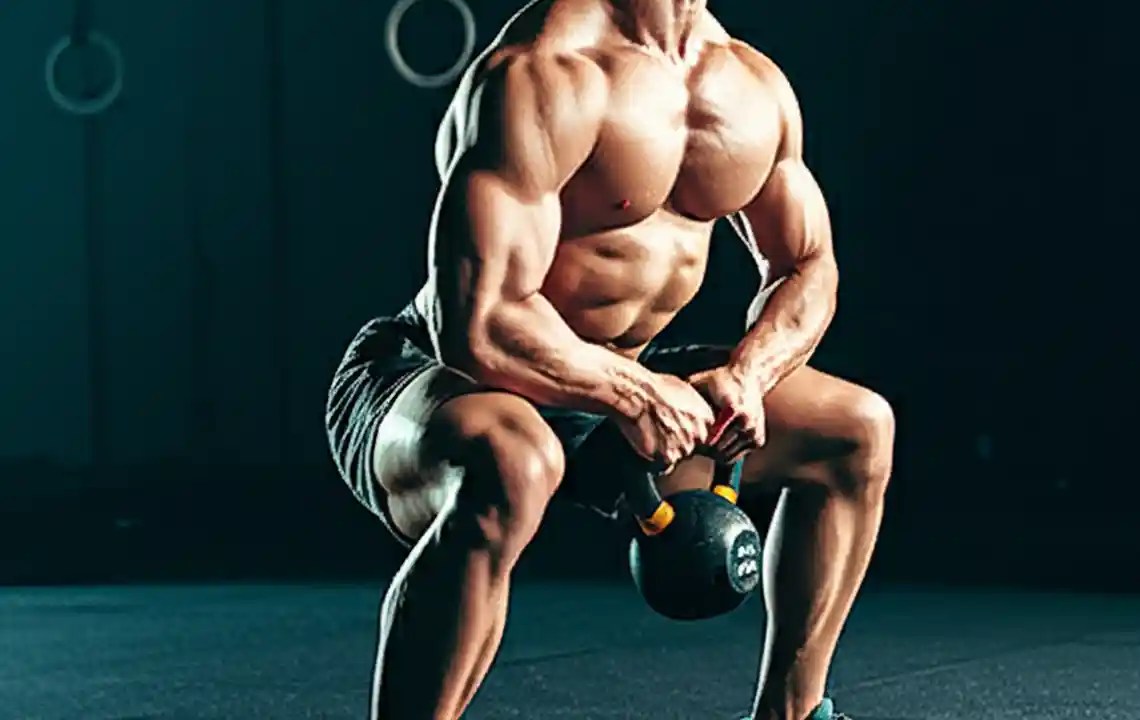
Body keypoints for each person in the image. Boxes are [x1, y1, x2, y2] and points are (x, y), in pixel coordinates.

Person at [325, 1, 896, 718]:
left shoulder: (750, 87)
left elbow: (809, 266)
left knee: (856, 429)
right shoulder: (545, 72)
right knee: (515, 459)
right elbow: (480, 321)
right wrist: (635, 396)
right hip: (431, 375)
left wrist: (749, 376)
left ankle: (794, 715)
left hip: (612, 380)